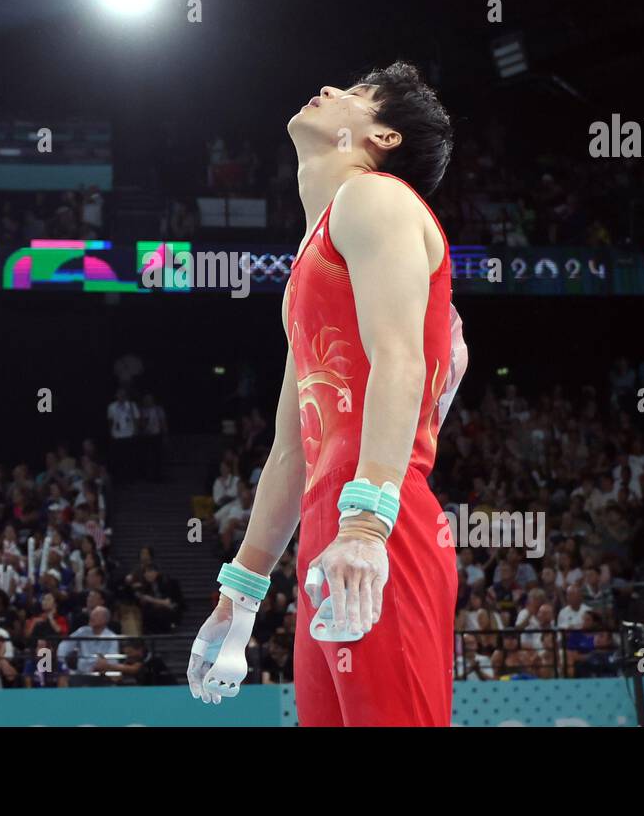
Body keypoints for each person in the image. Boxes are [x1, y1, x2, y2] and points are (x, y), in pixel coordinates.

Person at [190, 61, 464, 726]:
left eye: (361, 95)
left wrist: (368, 525)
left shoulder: (376, 200)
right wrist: (242, 595)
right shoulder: (311, 262)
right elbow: (292, 447)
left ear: (385, 139)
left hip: (377, 522)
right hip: (329, 528)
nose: (334, 89)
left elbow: (397, 360)